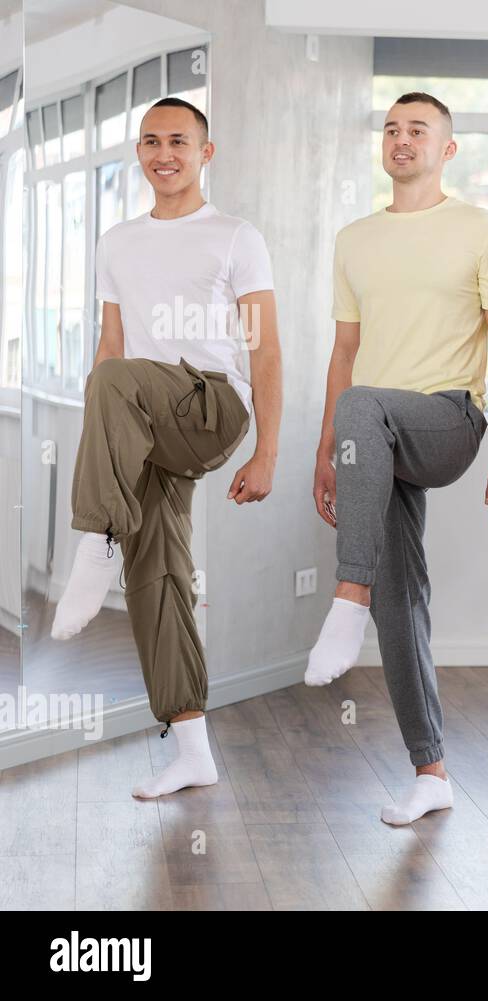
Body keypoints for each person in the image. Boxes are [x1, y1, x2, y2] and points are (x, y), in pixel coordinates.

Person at [306, 92, 488, 827]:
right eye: (392, 129)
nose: (402, 140)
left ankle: (346, 597)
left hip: (447, 419)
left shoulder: (480, 230)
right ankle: (430, 771)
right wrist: (327, 448)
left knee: (364, 403)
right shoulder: (354, 238)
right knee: (403, 604)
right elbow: (343, 350)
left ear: (448, 149)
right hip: (371, 437)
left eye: (418, 131)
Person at [52, 97, 282, 799]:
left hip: (214, 404)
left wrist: (267, 451)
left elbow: (264, 348)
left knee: (114, 382)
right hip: (144, 417)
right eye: (150, 142)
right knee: (157, 575)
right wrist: (106, 423)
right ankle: (191, 748)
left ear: (205, 152)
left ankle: (93, 541)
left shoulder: (236, 236)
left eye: (179, 141)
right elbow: (112, 345)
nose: (163, 154)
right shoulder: (117, 241)